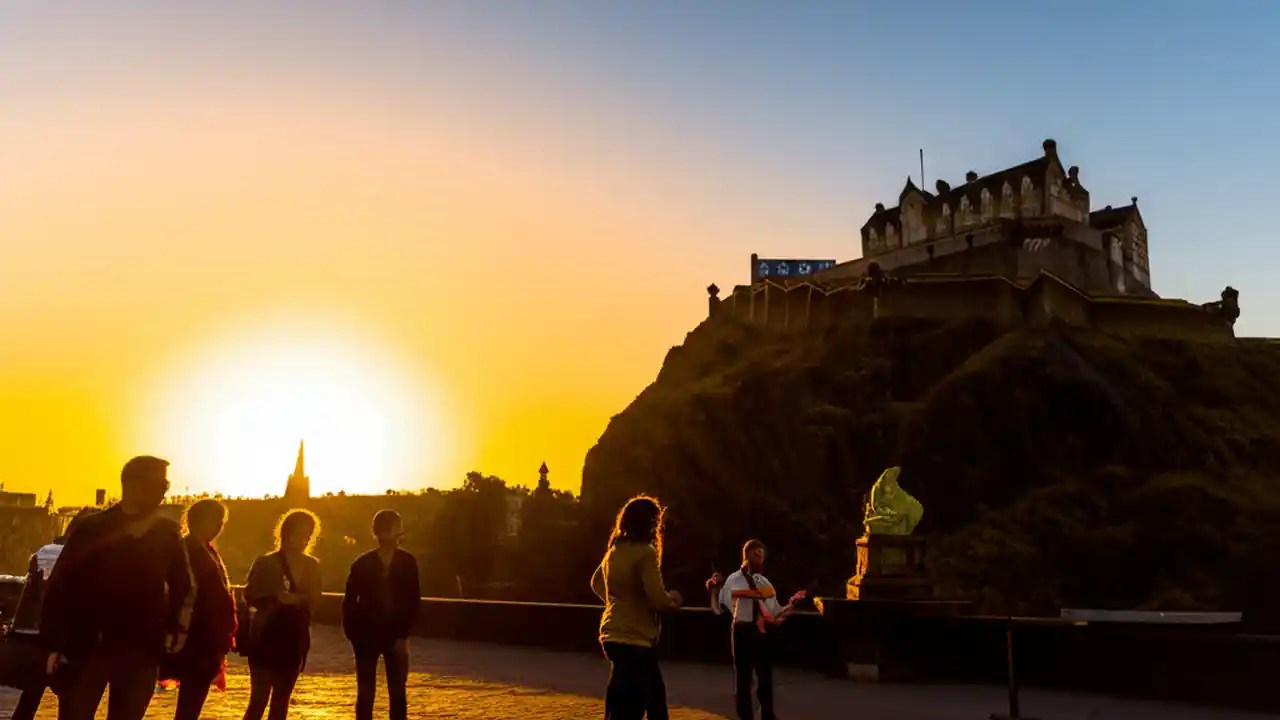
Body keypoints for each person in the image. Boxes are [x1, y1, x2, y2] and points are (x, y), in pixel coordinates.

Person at [39, 456, 195, 720]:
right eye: (159, 483)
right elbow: (62, 584)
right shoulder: (93, 528)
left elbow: (183, 585)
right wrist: (54, 642)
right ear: (132, 484)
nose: (164, 491)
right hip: (89, 644)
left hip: (141, 646)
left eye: (166, 485)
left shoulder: (166, 532)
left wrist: (177, 630)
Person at [590, 495, 682, 720]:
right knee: (635, 705)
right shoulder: (646, 552)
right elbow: (657, 597)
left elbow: (595, 582)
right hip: (636, 639)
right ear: (651, 523)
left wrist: (617, 603)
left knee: (646, 698)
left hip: (613, 633)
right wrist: (674, 599)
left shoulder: (615, 550)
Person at [9, 509, 97, 720]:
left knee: (29, 699)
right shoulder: (86, 556)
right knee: (71, 703)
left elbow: (31, 592)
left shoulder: (44, 551)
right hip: (62, 636)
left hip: (31, 632)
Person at [159, 499, 237, 720]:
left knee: (191, 704)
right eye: (216, 521)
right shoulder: (190, 550)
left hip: (205, 637)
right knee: (189, 706)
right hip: (196, 637)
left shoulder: (205, 549)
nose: (219, 527)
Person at [242, 510, 322, 720]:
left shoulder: (311, 565)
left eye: (308, 535)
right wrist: (275, 598)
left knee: (281, 700)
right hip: (266, 634)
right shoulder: (266, 563)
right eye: (300, 534)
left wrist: (297, 599)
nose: (304, 540)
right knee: (258, 700)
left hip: (294, 637)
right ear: (285, 533)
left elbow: (315, 598)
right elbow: (250, 594)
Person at [342, 510, 421, 720]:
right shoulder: (363, 564)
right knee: (369, 694)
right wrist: (355, 636)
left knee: (396, 693)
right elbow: (349, 602)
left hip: (393, 636)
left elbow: (413, 601)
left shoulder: (406, 562)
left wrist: (402, 635)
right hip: (368, 637)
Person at [706, 540, 794, 720]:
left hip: (761, 631)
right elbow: (734, 593)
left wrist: (787, 608)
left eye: (761, 556)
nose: (759, 559)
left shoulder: (764, 581)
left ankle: (767, 715)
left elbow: (774, 609)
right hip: (742, 630)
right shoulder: (735, 578)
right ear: (747, 556)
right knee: (743, 680)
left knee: (765, 678)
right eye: (756, 555)